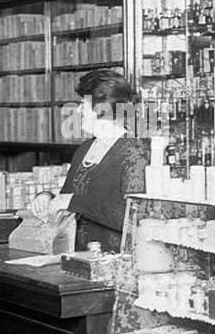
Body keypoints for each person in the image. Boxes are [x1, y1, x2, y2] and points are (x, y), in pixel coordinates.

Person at [30, 69, 146, 253]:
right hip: (76, 256)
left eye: (83, 104)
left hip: (113, 260)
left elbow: (132, 217)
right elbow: (69, 198)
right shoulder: (84, 149)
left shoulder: (134, 153)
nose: (78, 110)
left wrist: (72, 202)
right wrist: (47, 198)